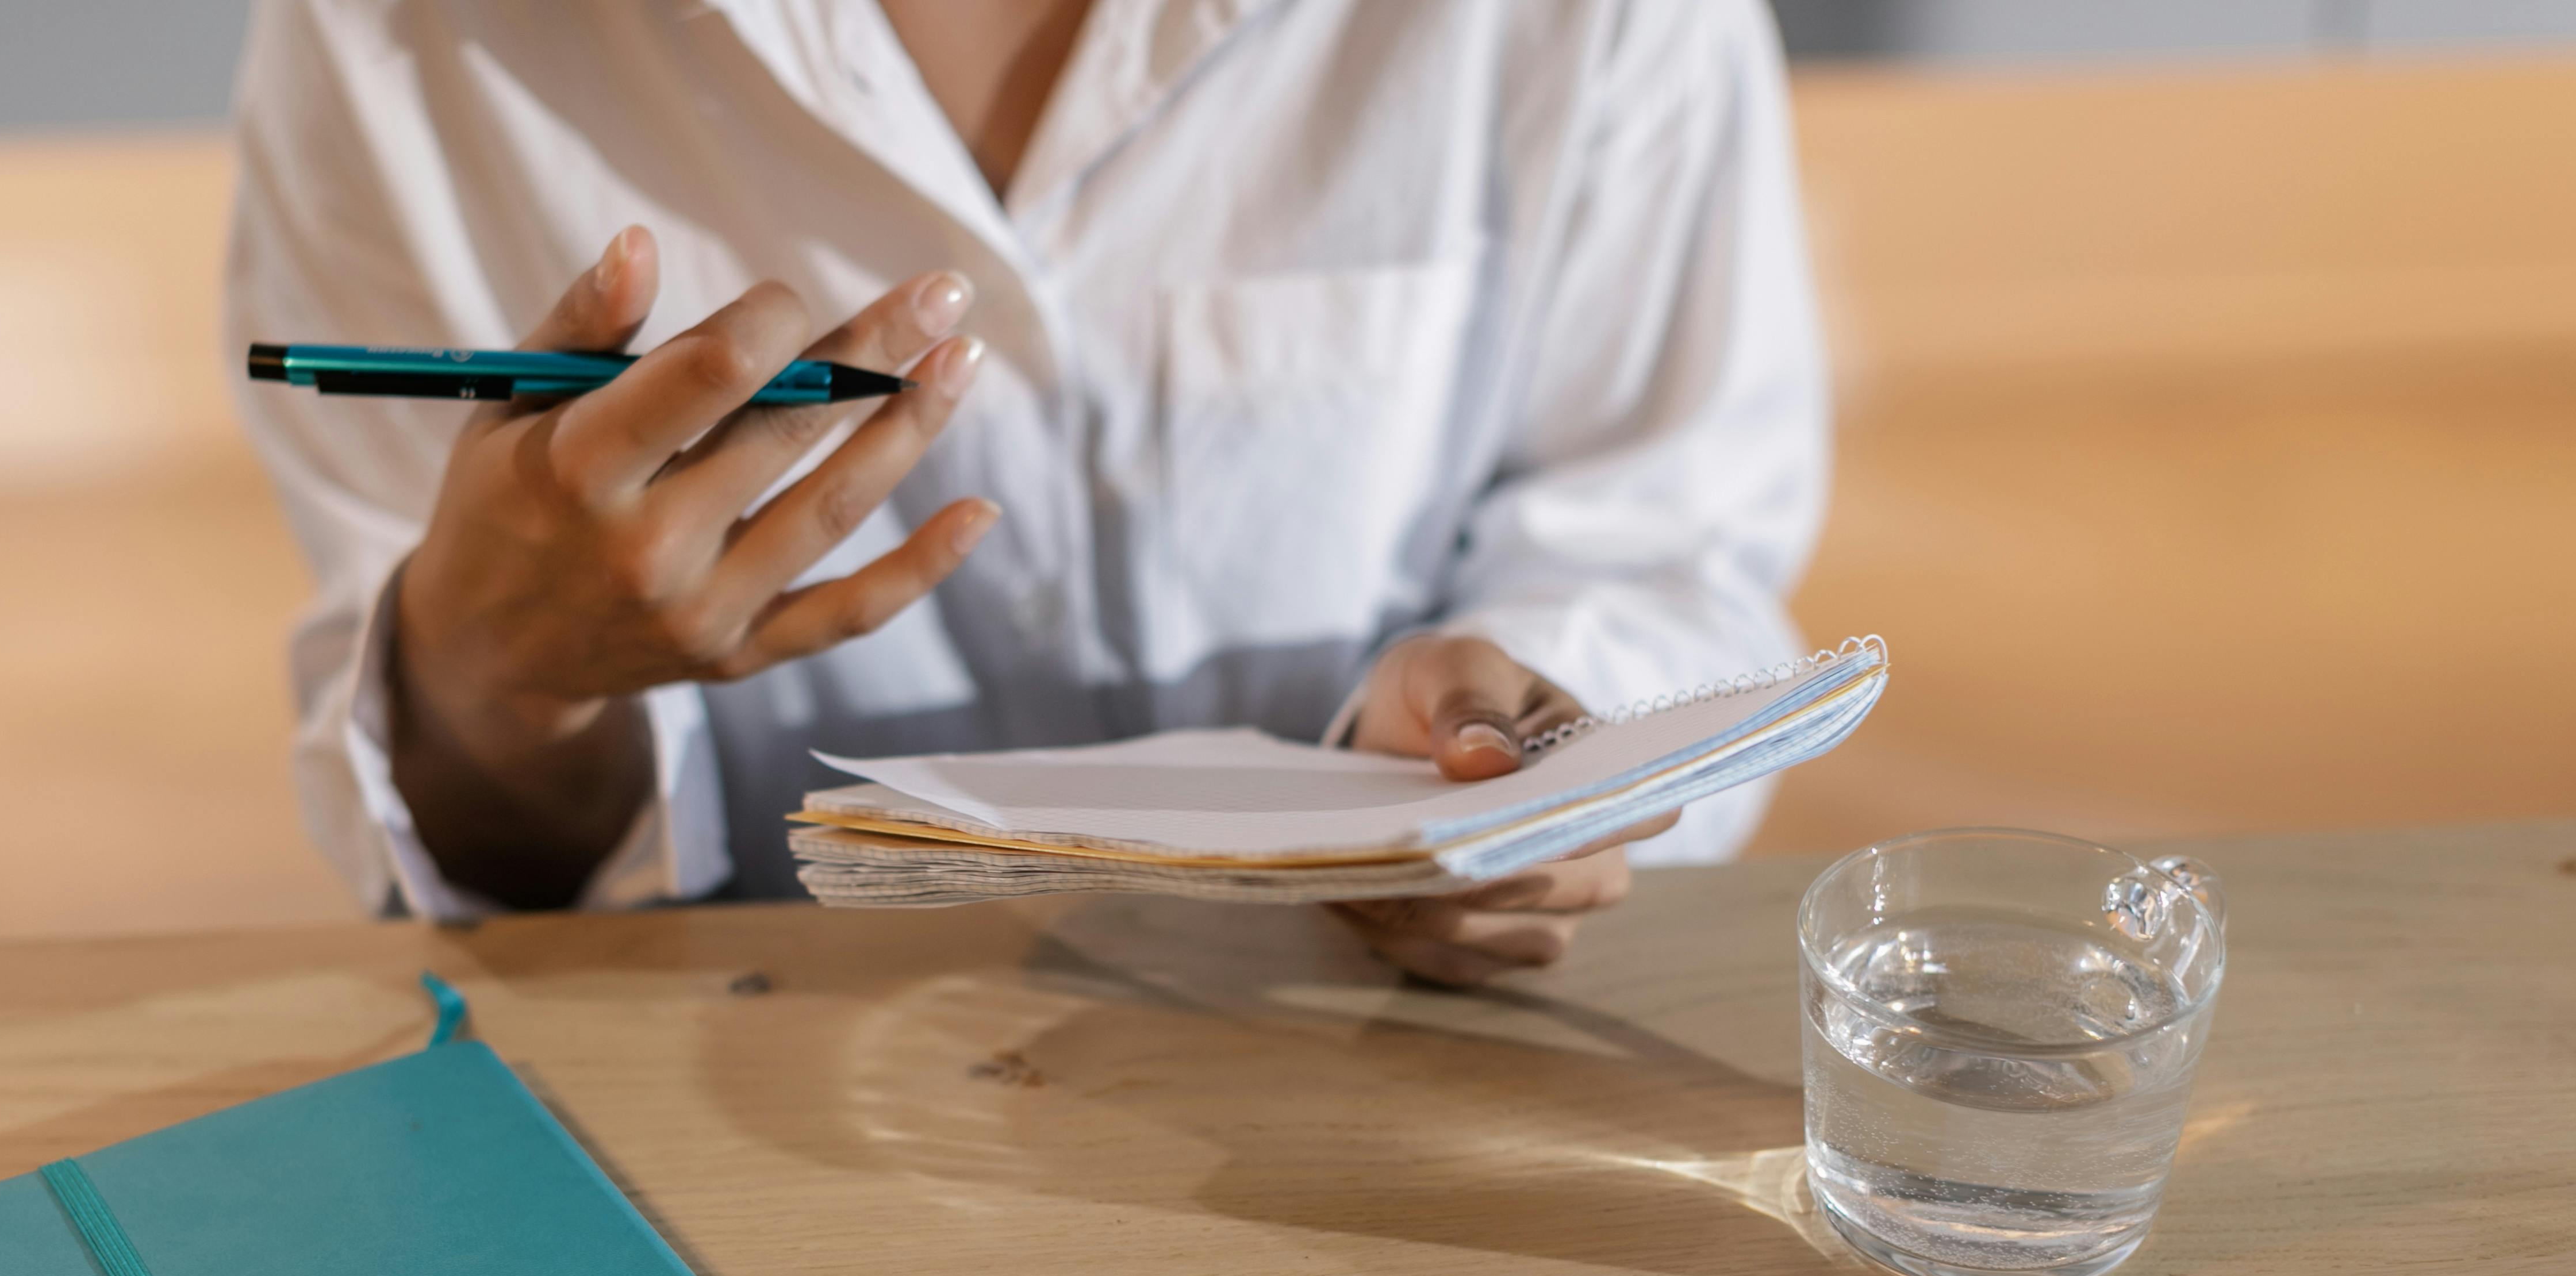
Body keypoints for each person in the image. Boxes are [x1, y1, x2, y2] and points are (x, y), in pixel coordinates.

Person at [227, 0, 1825, 985]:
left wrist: (1526, 772)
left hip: (1390, 1070)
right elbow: (479, 862)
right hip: (727, 1110)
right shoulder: (403, 34)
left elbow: (1666, 536)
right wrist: (499, 679)